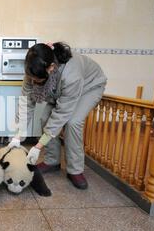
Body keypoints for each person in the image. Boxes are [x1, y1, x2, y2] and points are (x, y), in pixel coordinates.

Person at [9, 42, 107, 189]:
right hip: (62, 90)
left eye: (37, 81)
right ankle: (52, 161)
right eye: (32, 79)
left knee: (73, 122)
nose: (34, 82)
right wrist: (18, 136)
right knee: (44, 118)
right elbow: (26, 103)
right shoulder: (33, 69)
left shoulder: (71, 74)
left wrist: (38, 146)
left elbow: (62, 113)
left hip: (89, 86)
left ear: (51, 68)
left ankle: (75, 170)